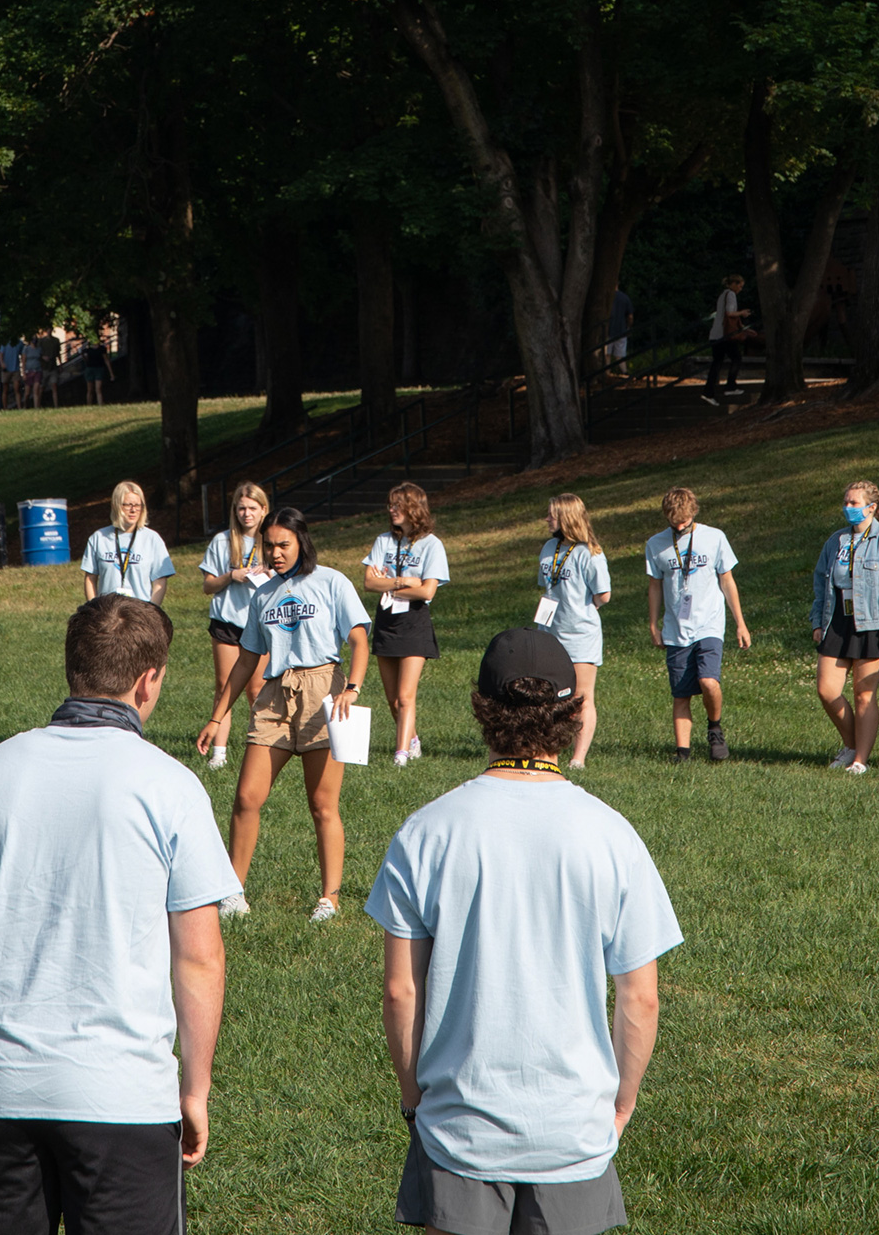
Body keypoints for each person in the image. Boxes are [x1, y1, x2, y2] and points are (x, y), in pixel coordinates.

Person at [0, 595, 235, 1234]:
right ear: (148, 680)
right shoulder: (171, 785)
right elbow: (199, 956)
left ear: (73, 670)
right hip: (125, 1099)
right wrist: (194, 1089)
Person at [369, 628, 681, 1235]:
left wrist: (415, 1101)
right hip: (574, 1133)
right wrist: (619, 1106)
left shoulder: (427, 832)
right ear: (574, 712)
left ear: (481, 709)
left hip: (458, 1130)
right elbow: (640, 998)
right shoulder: (612, 835)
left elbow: (400, 992)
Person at [194, 507, 370, 922]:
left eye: (282, 545)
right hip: (274, 695)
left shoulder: (331, 581)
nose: (274, 553)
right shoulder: (263, 594)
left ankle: (330, 898)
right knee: (245, 799)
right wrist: (218, 717)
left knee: (322, 804)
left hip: (323, 691)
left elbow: (360, 640)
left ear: (301, 543)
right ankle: (233, 893)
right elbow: (245, 662)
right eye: (268, 545)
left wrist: (352, 688)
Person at [810, 481, 879, 775]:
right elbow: (821, 582)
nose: (848, 508)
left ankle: (860, 760)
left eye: (854, 503)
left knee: (863, 694)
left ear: (872, 507)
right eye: (846, 502)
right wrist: (818, 621)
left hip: (874, 624)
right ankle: (850, 744)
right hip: (837, 621)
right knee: (826, 689)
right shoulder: (836, 541)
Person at [644, 487, 750, 763]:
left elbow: (727, 580)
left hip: (710, 624)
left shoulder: (714, 537)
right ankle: (683, 753)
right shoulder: (656, 544)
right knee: (681, 693)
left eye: (685, 521)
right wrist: (653, 625)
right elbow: (654, 585)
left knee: (708, 681)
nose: (680, 526)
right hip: (676, 629)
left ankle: (714, 728)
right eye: (674, 522)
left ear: (694, 513)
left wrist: (740, 623)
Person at [361, 483, 449, 767]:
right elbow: (369, 582)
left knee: (405, 695)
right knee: (391, 699)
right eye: (390, 504)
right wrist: (404, 582)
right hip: (387, 621)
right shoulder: (383, 541)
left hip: (414, 623)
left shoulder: (432, 544)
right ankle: (412, 740)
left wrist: (392, 586)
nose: (392, 510)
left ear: (415, 508)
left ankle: (400, 755)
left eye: (398, 505)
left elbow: (427, 592)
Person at [198, 482, 271, 774]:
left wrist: (269, 574)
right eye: (241, 508)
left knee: (257, 690)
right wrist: (232, 575)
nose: (246, 513)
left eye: (252, 508)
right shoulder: (222, 541)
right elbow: (208, 585)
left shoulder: (273, 541)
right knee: (225, 686)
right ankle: (219, 752)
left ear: (264, 510)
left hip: (260, 624)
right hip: (227, 622)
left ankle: (260, 750)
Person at [537, 494, 613, 769]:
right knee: (549, 695)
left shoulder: (589, 552)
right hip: (549, 632)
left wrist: (580, 611)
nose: (547, 519)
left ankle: (577, 759)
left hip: (580, 635)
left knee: (581, 698)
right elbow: (546, 586)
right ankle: (549, 750)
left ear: (566, 518)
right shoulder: (548, 547)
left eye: (552, 515)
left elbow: (603, 595)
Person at [81, 480, 176, 604]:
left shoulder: (152, 539)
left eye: (138, 505)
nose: (133, 510)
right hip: (107, 613)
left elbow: (160, 581)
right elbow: (90, 578)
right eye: (128, 505)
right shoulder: (98, 538)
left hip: (140, 614)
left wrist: (151, 613)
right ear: (116, 506)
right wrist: (94, 609)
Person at [703, 275, 749, 404]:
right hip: (725, 335)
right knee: (736, 358)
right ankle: (730, 386)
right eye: (739, 286)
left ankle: (708, 392)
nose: (740, 289)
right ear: (733, 284)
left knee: (717, 363)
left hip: (715, 334)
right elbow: (729, 313)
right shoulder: (731, 295)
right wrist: (742, 313)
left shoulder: (722, 295)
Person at [82, 341, 109, 406]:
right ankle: (89, 405)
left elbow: (106, 360)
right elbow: (86, 360)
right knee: (90, 389)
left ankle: (100, 404)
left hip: (99, 368)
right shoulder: (87, 350)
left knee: (98, 388)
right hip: (90, 369)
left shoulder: (102, 349)